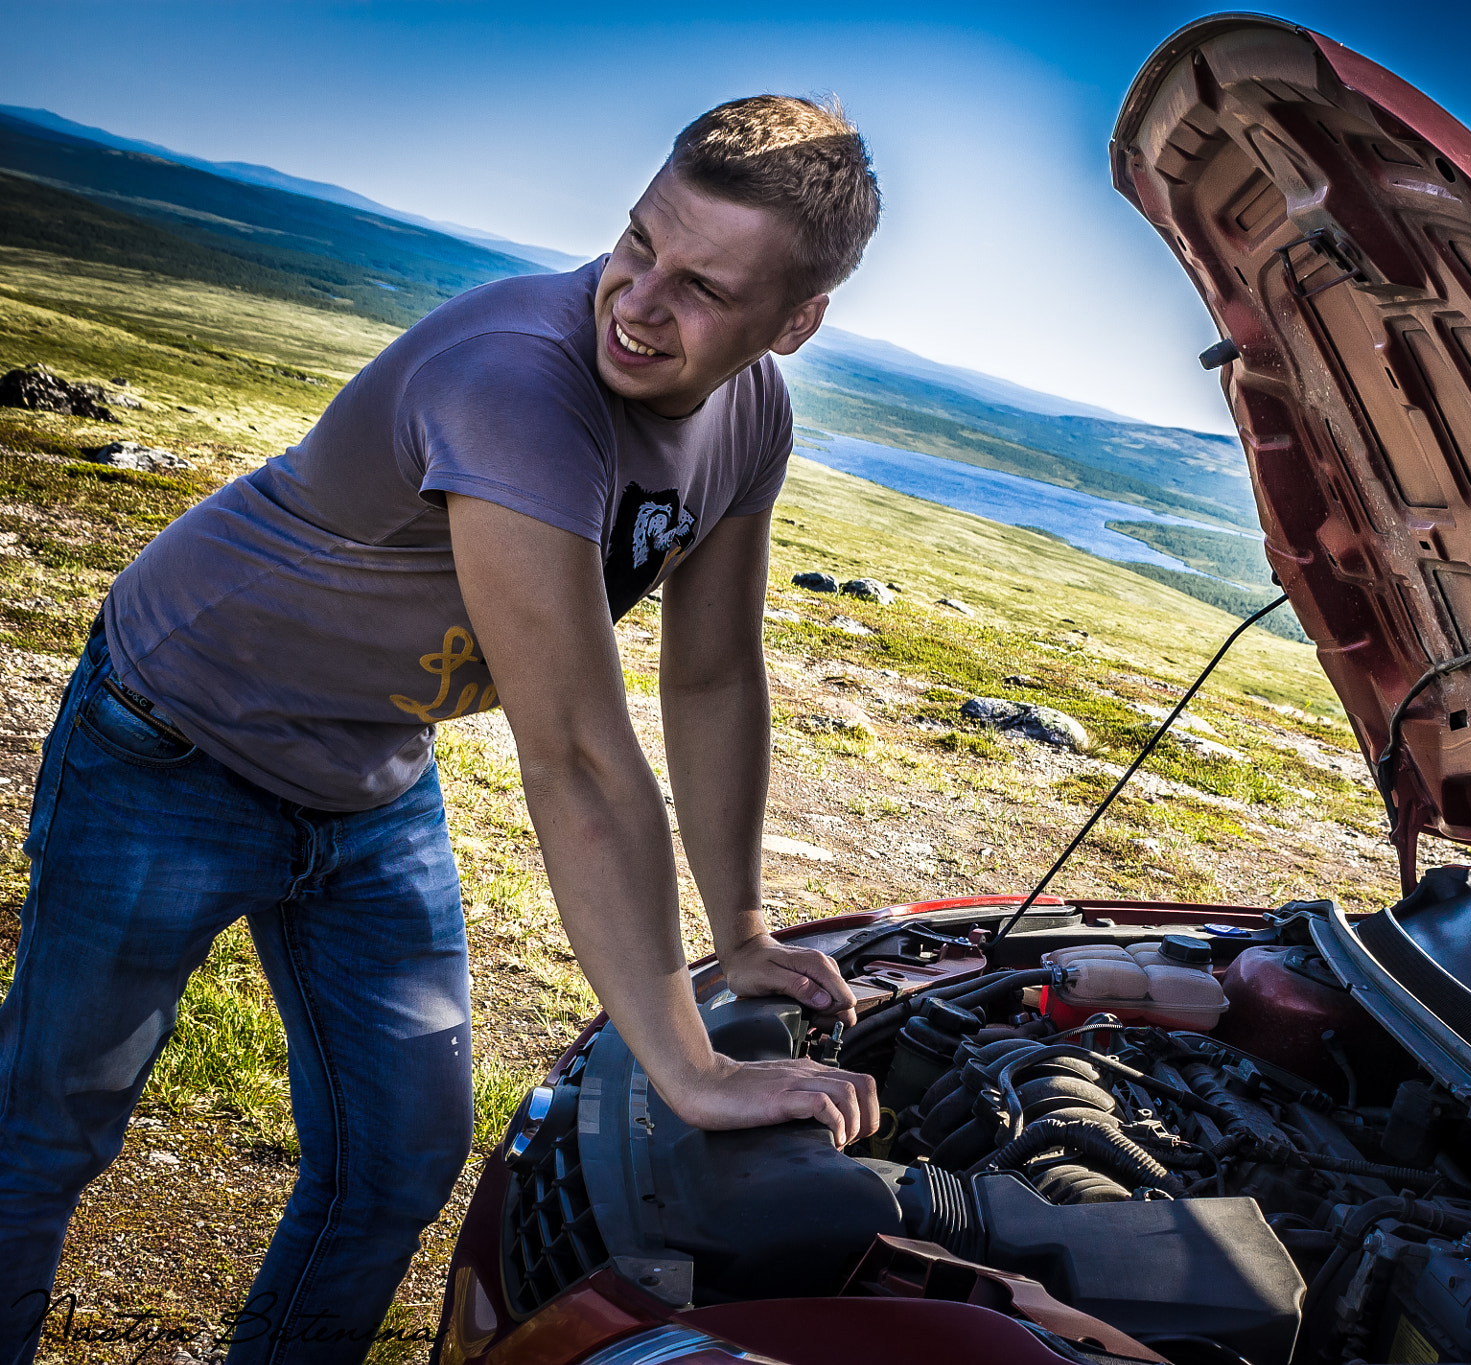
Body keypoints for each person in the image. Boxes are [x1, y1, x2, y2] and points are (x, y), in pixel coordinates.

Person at [0, 95, 882, 1363]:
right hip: (175, 737)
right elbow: (575, 750)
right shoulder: (516, 377)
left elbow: (711, 678)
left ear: (794, 323)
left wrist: (740, 932)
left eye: (698, 286)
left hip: (367, 778)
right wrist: (690, 1069)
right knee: (46, 1130)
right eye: (635, 243)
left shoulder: (753, 420)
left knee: (399, 1163)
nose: (634, 301)